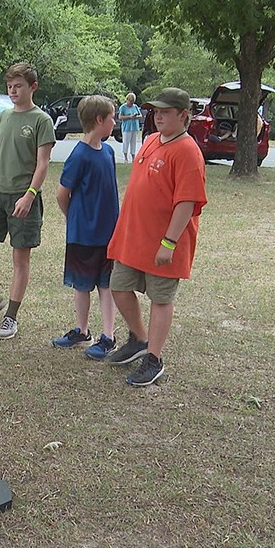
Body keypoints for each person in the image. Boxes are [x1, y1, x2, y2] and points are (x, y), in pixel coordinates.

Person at [105, 87, 208, 386]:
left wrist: (169, 242)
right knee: (119, 286)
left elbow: (186, 202)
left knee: (160, 298)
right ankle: (139, 339)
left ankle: (155, 358)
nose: (158, 116)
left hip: (163, 241)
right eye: (156, 111)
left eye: (165, 111)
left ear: (183, 115)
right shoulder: (150, 140)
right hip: (133, 236)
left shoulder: (188, 151)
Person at [0, 62, 55, 340]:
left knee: (21, 259)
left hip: (23, 196)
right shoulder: (4, 117)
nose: (13, 91)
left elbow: (43, 164)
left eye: (18, 86)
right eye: (9, 86)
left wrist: (29, 196)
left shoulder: (41, 120)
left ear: (33, 87)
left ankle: (11, 317)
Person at [51, 95, 120, 360]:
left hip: (107, 234)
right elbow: (61, 193)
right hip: (82, 235)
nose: (114, 122)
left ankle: (108, 336)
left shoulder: (109, 152)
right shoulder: (79, 155)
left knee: (107, 284)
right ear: (99, 120)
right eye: (111, 118)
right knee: (82, 285)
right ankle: (81, 329)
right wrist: (74, 218)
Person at [117, 92, 143, 163]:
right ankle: (125, 158)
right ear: (127, 100)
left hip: (134, 127)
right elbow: (120, 117)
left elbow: (140, 116)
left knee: (133, 142)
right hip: (127, 127)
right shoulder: (123, 107)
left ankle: (133, 158)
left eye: (132, 102)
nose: (131, 103)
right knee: (126, 142)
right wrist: (129, 117)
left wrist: (135, 116)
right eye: (130, 101)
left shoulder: (135, 107)